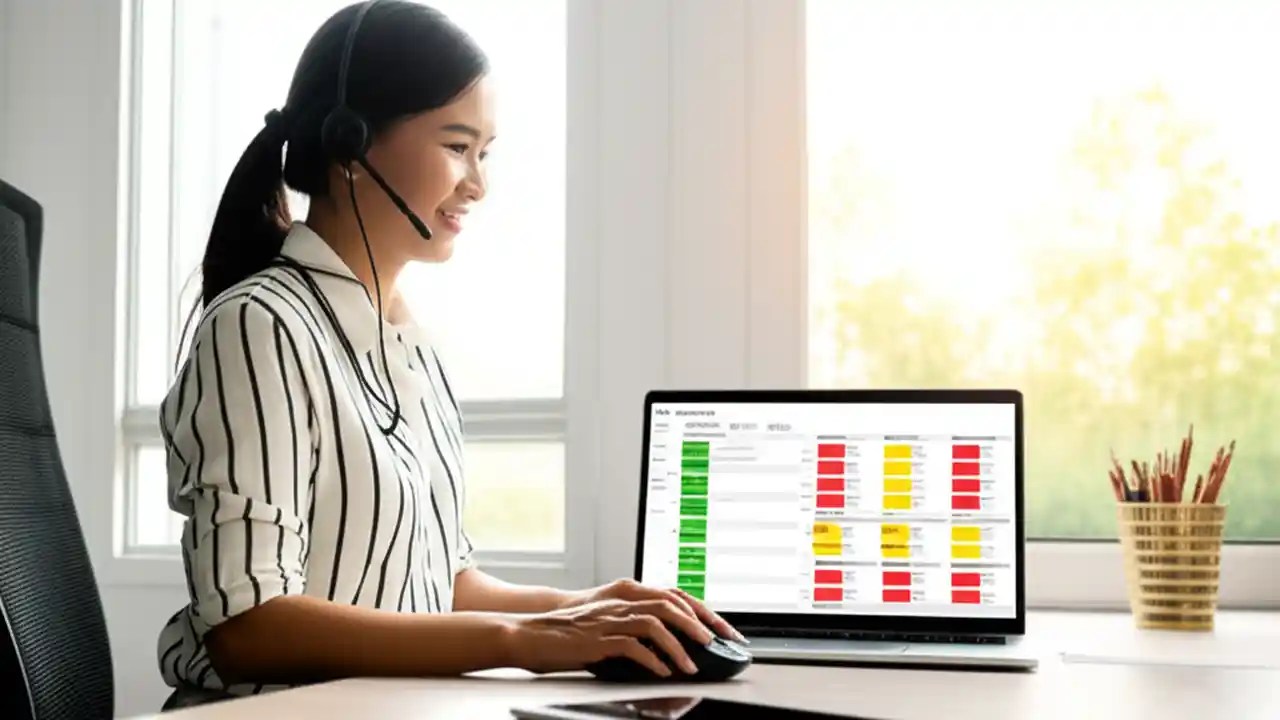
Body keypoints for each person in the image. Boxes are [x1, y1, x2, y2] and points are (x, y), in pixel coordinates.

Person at [155, 0, 743, 705]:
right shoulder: (260, 327)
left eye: (484, 153)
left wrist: (592, 606)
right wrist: (521, 642)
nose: (478, 183)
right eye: (458, 146)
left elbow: (443, 580)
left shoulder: (412, 351)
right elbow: (248, 626)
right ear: (351, 146)